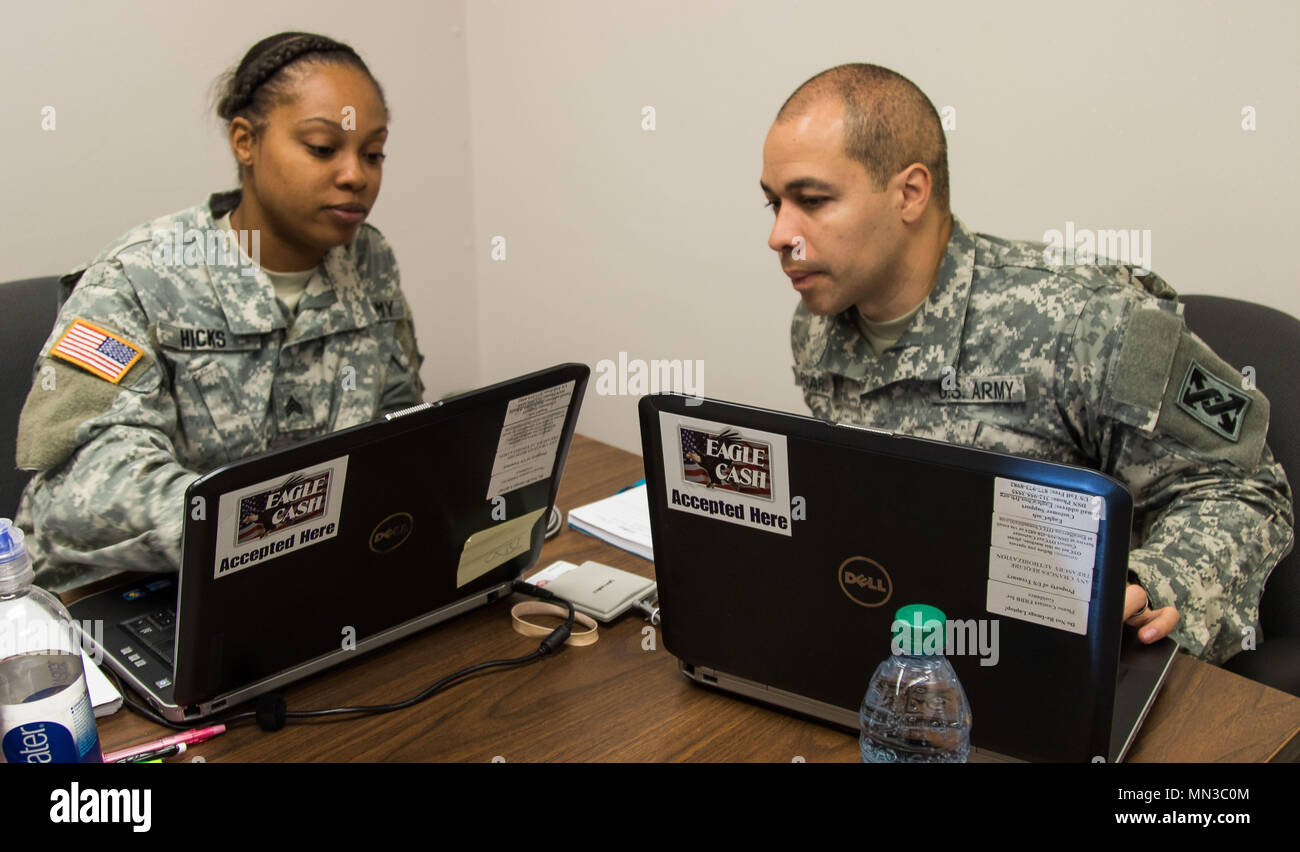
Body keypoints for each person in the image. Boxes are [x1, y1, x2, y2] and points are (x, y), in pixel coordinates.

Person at [762, 63, 1293, 666]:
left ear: (910, 193)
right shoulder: (817, 328)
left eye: (811, 200)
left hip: (1079, 659)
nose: (780, 234)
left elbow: (1240, 486)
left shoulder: (1085, 321)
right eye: (774, 203)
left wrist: (1158, 582)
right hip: (918, 642)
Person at [14, 32, 425, 593]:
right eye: (323, 148)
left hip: (297, 580)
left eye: (373, 153)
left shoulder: (369, 260)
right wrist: (281, 524)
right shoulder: (142, 273)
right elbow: (86, 487)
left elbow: (398, 424)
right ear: (245, 141)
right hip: (116, 603)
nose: (357, 175)